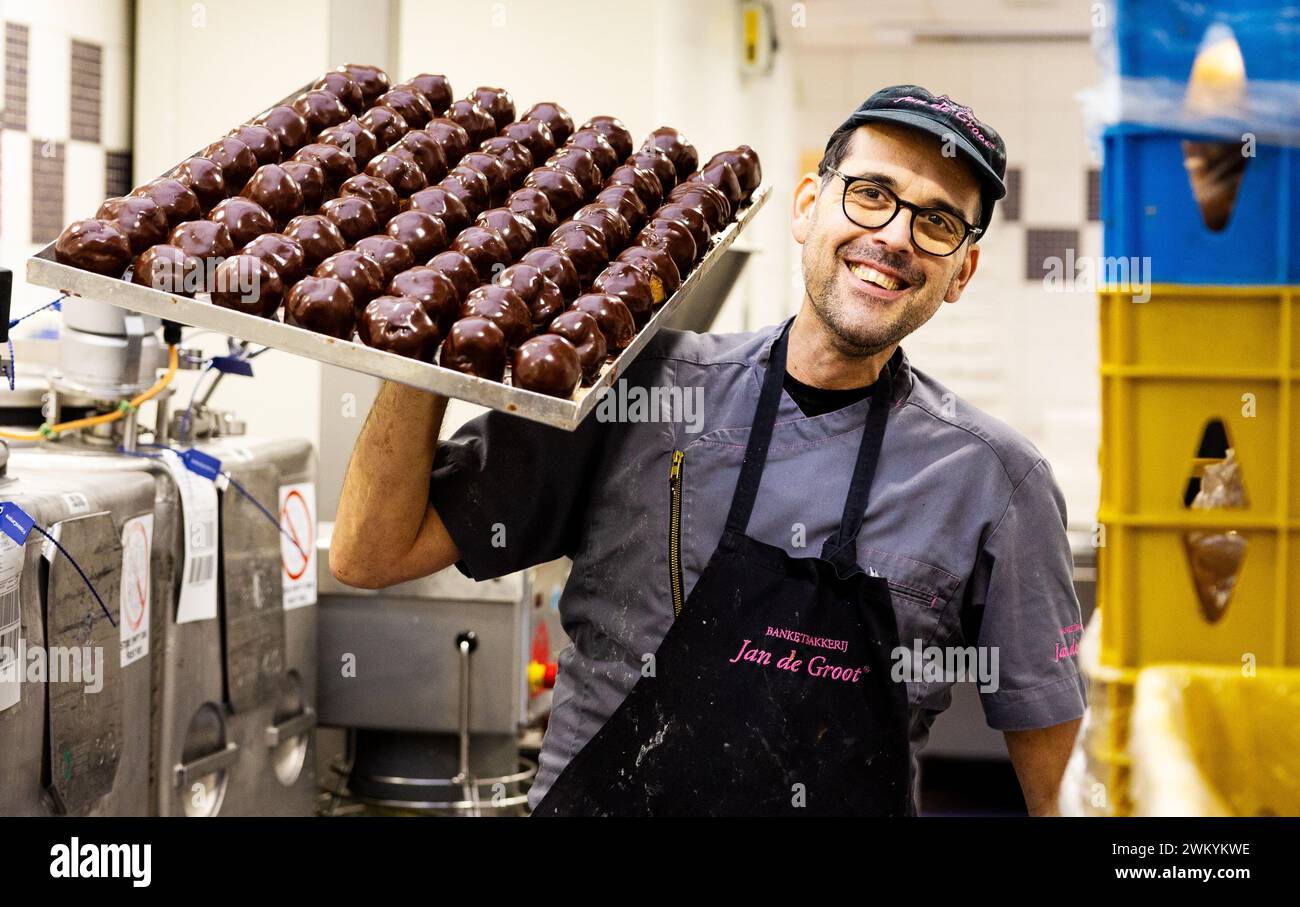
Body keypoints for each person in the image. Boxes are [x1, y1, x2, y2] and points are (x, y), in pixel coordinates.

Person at [332, 84, 1087, 816]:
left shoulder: (996, 485)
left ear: (962, 272)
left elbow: (1059, 794)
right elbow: (370, 554)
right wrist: (421, 334)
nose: (894, 236)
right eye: (871, 193)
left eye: (939, 222)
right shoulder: (633, 385)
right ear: (805, 206)